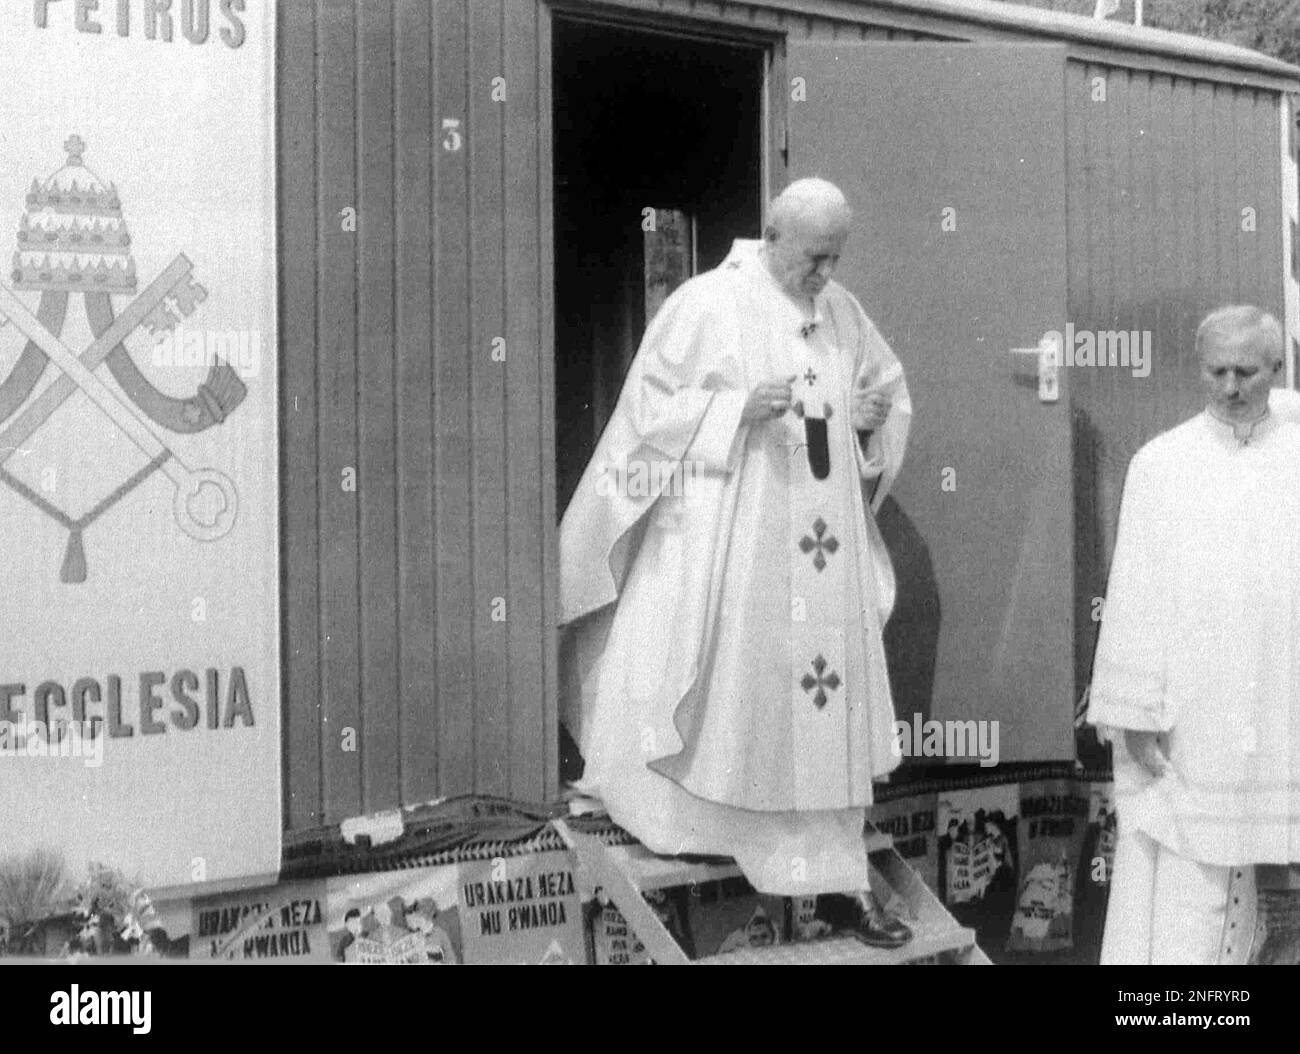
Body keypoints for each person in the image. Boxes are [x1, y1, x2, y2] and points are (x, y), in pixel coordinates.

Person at [559, 177, 913, 947]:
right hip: (732, 544)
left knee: (819, 708)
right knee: (733, 695)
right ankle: (700, 833)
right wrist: (727, 412)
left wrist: (862, 422)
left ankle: (834, 874)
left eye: (835, 259)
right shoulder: (704, 304)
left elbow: (884, 390)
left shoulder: (840, 311)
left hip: (822, 553)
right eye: (815, 259)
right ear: (775, 238)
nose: (826, 275)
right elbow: (643, 418)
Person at [1087, 304, 1300, 964]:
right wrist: (1135, 712)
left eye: (1246, 372)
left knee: (1262, 870)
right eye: (1216, 371)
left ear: (1278, 369)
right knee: (1190, 873)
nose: (1230, 388)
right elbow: (1134, 595)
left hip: (1279, 701)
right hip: (1193, 708)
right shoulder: (1163, 463)